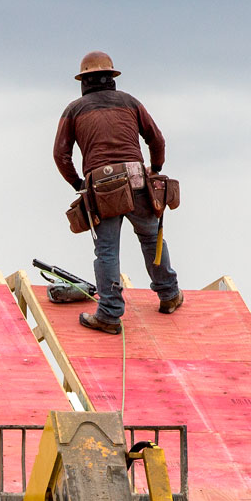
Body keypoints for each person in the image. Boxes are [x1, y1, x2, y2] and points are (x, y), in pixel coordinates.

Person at [52, 51, 183, 334]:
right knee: (151, 239)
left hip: (101, 188)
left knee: (107, 251)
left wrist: (78, 184)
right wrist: (155, 169)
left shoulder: (73, 110)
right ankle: (169, 295)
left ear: (84, 81)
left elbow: (61, 155)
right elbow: (156, 139)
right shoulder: (130, 102)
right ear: (111, 78)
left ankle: (110, 315)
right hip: (138, 180)